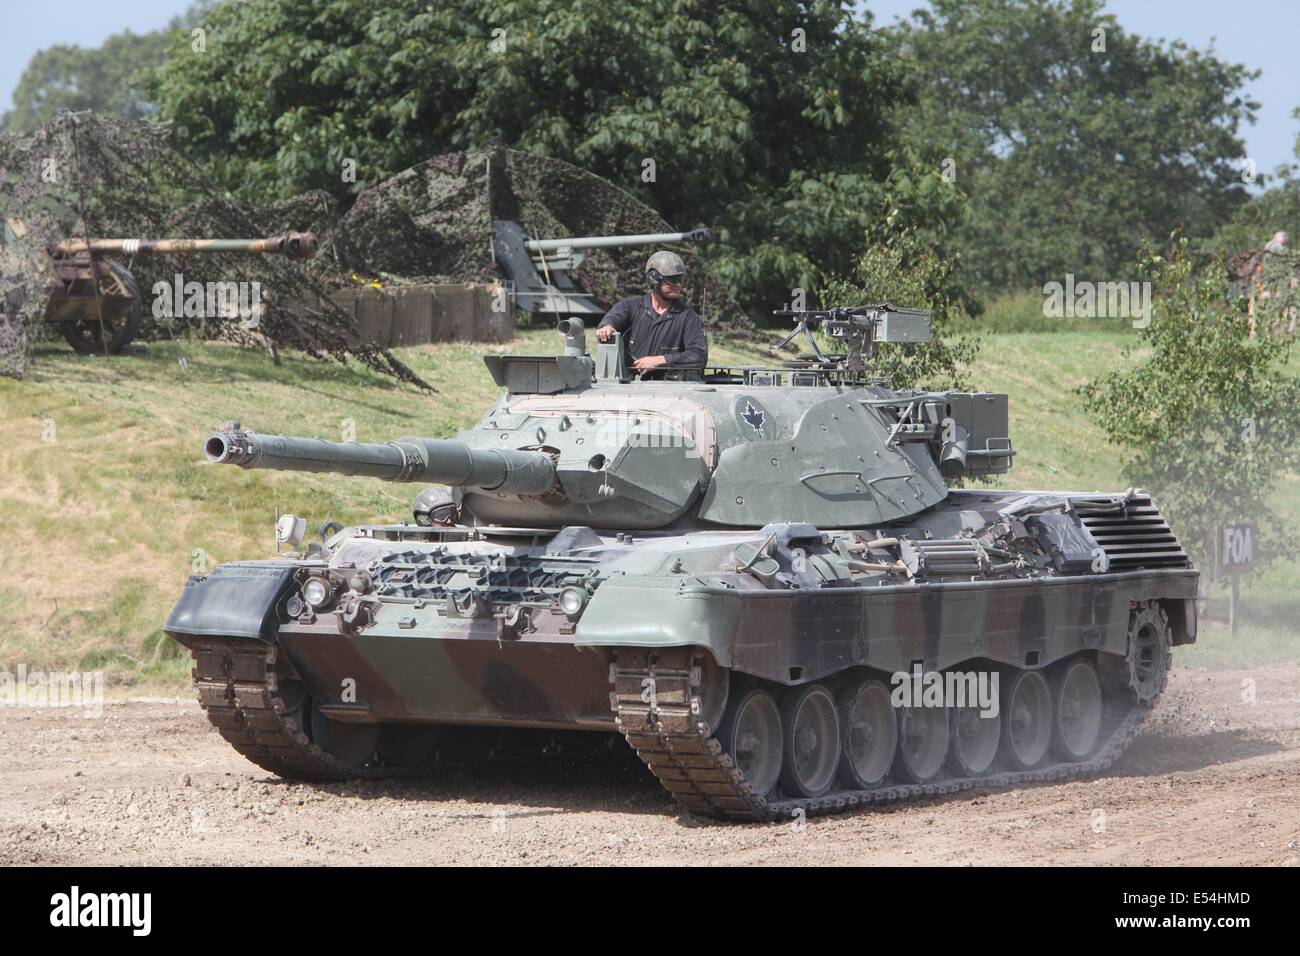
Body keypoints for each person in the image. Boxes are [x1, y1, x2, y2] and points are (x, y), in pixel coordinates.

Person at [595, 250, 707, 373]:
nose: (679, 285)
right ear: (654, 280)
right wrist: (607, 327)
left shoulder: (688, 317)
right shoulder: (630, 306)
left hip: (667, 388)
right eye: (673, 280)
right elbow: (612, 319)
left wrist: (661, 360)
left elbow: (698, 356)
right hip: (628, 385)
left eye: (681, 280)